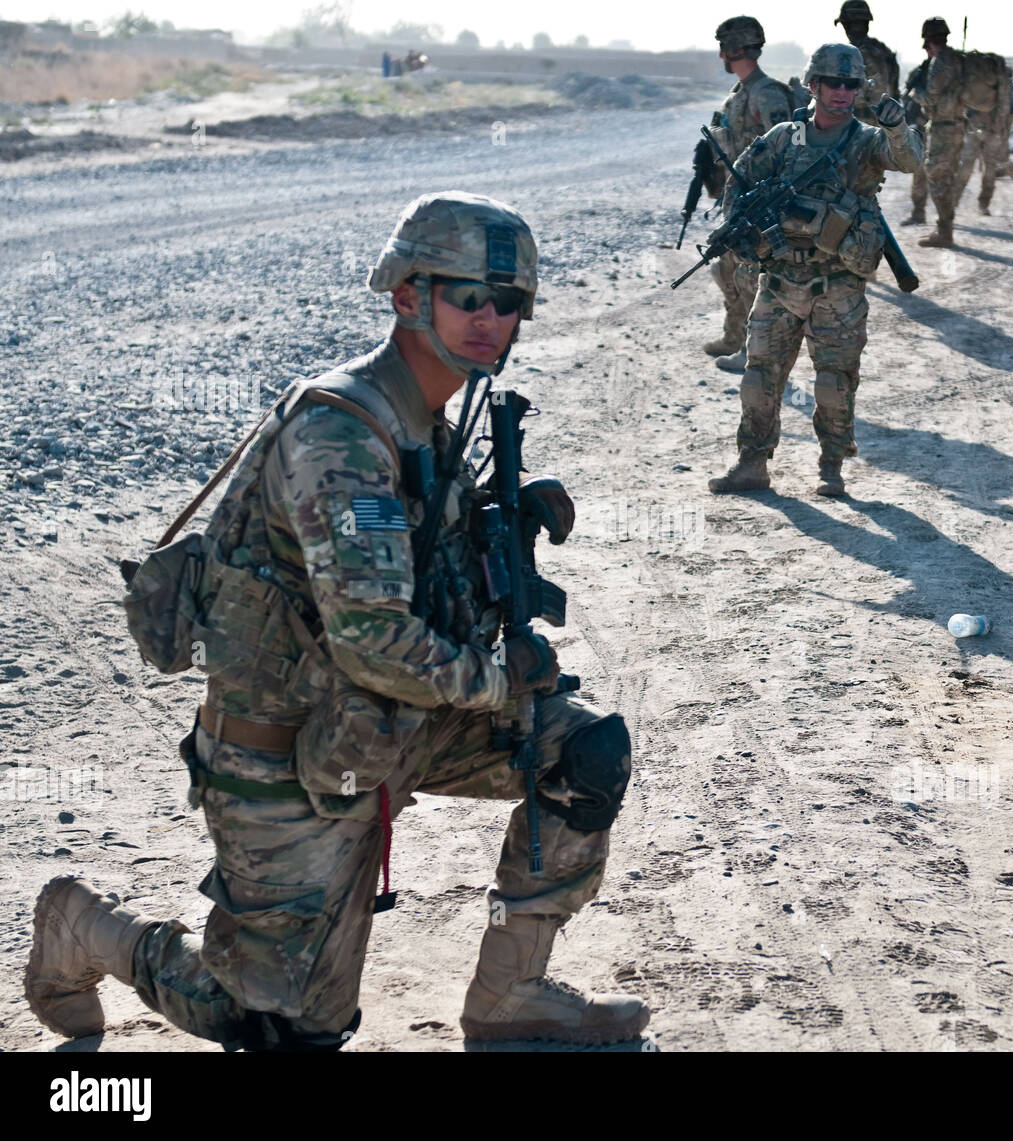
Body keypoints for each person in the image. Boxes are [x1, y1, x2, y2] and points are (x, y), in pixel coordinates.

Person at [25, 192, 650, 1050]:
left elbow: (418, 585)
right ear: (407, 295)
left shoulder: (429, 422)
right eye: (468, 297)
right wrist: (506, 677)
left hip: (386, 725)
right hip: (286, 751)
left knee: (582, 751)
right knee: (277, 1027)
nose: (490, 320)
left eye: (509, 304)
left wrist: (496, 525)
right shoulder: (342, 431)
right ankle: (88, 929)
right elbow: (374, 638)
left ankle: (512, 996)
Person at [707, 44, 921, 499]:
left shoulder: (866, 140)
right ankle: (752, 464)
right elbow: (739, 186)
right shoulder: (785, 137)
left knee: (834, 382)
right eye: (833, 83)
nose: (842, 93)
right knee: (760, 377)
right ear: (813, 85)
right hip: (781, 280)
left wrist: (898, 126)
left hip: (838, 285)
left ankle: (831, 468)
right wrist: (743, 235)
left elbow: (910, 161)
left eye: (851, 85)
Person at [701, 15, 796, 375]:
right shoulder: (739, 94)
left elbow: (786, 149)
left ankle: (757, 354)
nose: (720, 55)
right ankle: (735, 337)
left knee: (750, 277)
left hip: (760, 205)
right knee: (727, 271)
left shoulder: (767, 94)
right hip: (738, 201)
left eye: (723, 47)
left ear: (735, 48)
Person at [916, 16, 967, 249]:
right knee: (946, 176)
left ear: (929, 41)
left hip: (943, 127)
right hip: (958, 125)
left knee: (936, 177)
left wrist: (915, 94)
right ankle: (946, 229)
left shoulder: (940, 62)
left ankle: (945, 232)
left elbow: (931, 98)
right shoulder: (958, 59)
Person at [954, 54, 1013, 216]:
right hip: (990, 130)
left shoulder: (971, 80)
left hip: (974, 127)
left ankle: (953, 203)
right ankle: (982, 205)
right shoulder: (1000, 82)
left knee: (966, 168)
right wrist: (999, 129)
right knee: (988, 169)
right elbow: (1004, 107)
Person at [833, 0, 900, 125]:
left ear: (848, 25)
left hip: (861, 126)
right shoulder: (884, 52)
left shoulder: (851, 54)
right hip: (887, 125)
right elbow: (894, 92)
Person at [900, 61, 930, 226]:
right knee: (920, 172)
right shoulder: (920, 71)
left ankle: (947, 219)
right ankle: (919, 212)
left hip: (944, 129)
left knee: (943, 174)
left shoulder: (950, 69)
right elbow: (907, 95)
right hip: (922, 128)